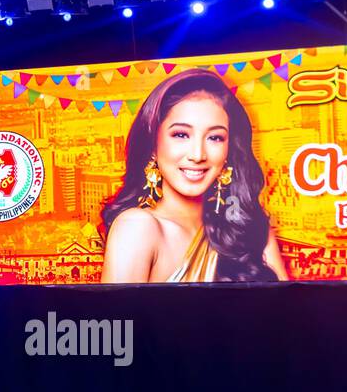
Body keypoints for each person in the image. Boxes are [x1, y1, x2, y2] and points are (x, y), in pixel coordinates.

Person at [100, 69, 288, 283]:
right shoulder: (137, 227)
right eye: (181, 135)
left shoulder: (246, 227)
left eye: (215, 138)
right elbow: (117, 316)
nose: (198, 154)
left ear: (229, 150)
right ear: (153, 144)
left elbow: (287, 311)